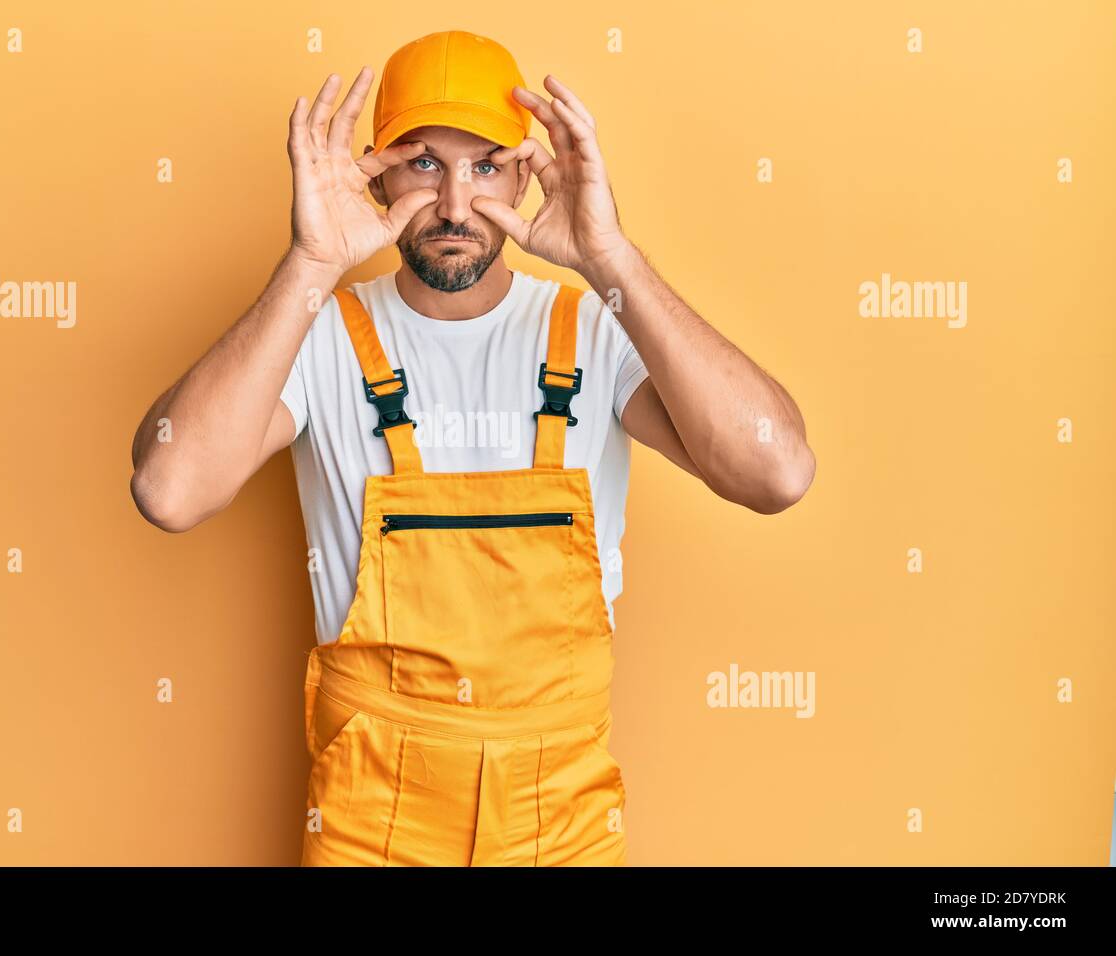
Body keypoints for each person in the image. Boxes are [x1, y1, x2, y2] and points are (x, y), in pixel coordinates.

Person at [129, 30, 815, 866]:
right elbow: (169, 489)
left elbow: (776, 471)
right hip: (369, 816)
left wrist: (614, 261)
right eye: (422, 165)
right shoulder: (321, 337)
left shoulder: (596, 330)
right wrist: (311, 265)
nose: (455, 204)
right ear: (374, 170)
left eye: (487, 166)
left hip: (559, 814)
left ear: (529, 175)